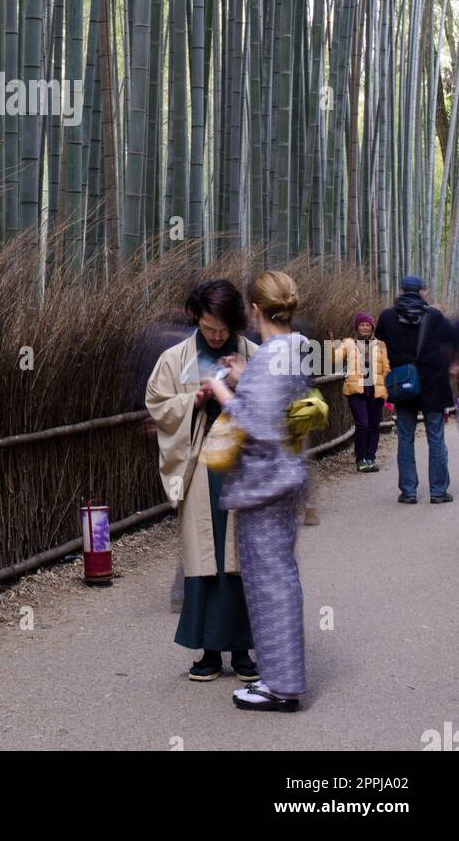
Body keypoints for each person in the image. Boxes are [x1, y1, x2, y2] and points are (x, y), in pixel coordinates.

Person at [145, 280, 259, 684]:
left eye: (223, 328)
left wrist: (244, 384)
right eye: (210, 327)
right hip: (198, 463)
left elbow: (274, 405)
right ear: (198, 318)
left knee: (242, 555)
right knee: (206, 556)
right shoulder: (175, 359)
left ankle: (243, 650)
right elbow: (157, 403)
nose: (216, 335)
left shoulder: (252, 354)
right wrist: (192, 400)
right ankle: (209, 651)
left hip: (242, 463)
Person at [208, 271, 309, 713]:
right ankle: (279, 677)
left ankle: (281, 686)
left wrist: (220, 391)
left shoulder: (273, 356)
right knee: (278, 577)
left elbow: (256, 424)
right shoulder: (295, 348)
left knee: (270, 583)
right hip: (284, 478)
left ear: (254, 310)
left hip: (266, 484)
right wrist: (245, 375)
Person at [375, 276, 454, 505]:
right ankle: (438, 492)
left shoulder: (388, 316)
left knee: (406, 438)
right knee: (436, 439)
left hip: (404, 385)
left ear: (400, 290)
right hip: (433, 386)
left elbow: (380, 338)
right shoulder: (435, 317)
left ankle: (409, 491)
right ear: (422, 292)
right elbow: (452, 338)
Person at [326, 312, 389, 472]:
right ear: (357, 327)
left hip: (376, 389)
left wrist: (388, 389)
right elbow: (335, 359)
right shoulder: (348, 343)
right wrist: (329, 343)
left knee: (374, 426)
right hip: (356, 389)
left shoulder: (381, 345)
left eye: (368, 324)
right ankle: (360, 459)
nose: (365, 327)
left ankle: (370, 458)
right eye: (362, 324)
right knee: (362, 425)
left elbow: (386, 368)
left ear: (372, 327)